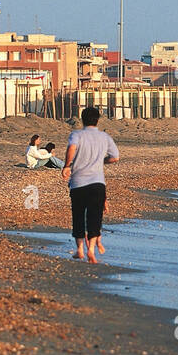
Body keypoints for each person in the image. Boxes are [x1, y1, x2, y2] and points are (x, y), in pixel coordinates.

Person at [61, 107, 119, 264]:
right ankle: (91, 250)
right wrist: (101, 161)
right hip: (97, 183)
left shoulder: (77, 134)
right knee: (95, 217)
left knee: (78, 215)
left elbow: (72, 148)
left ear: (82, 119)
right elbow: (115, 157)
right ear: (98, 120)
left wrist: (67, 165)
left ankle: (80, 249)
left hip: (78, 182)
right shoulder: (104, 137)